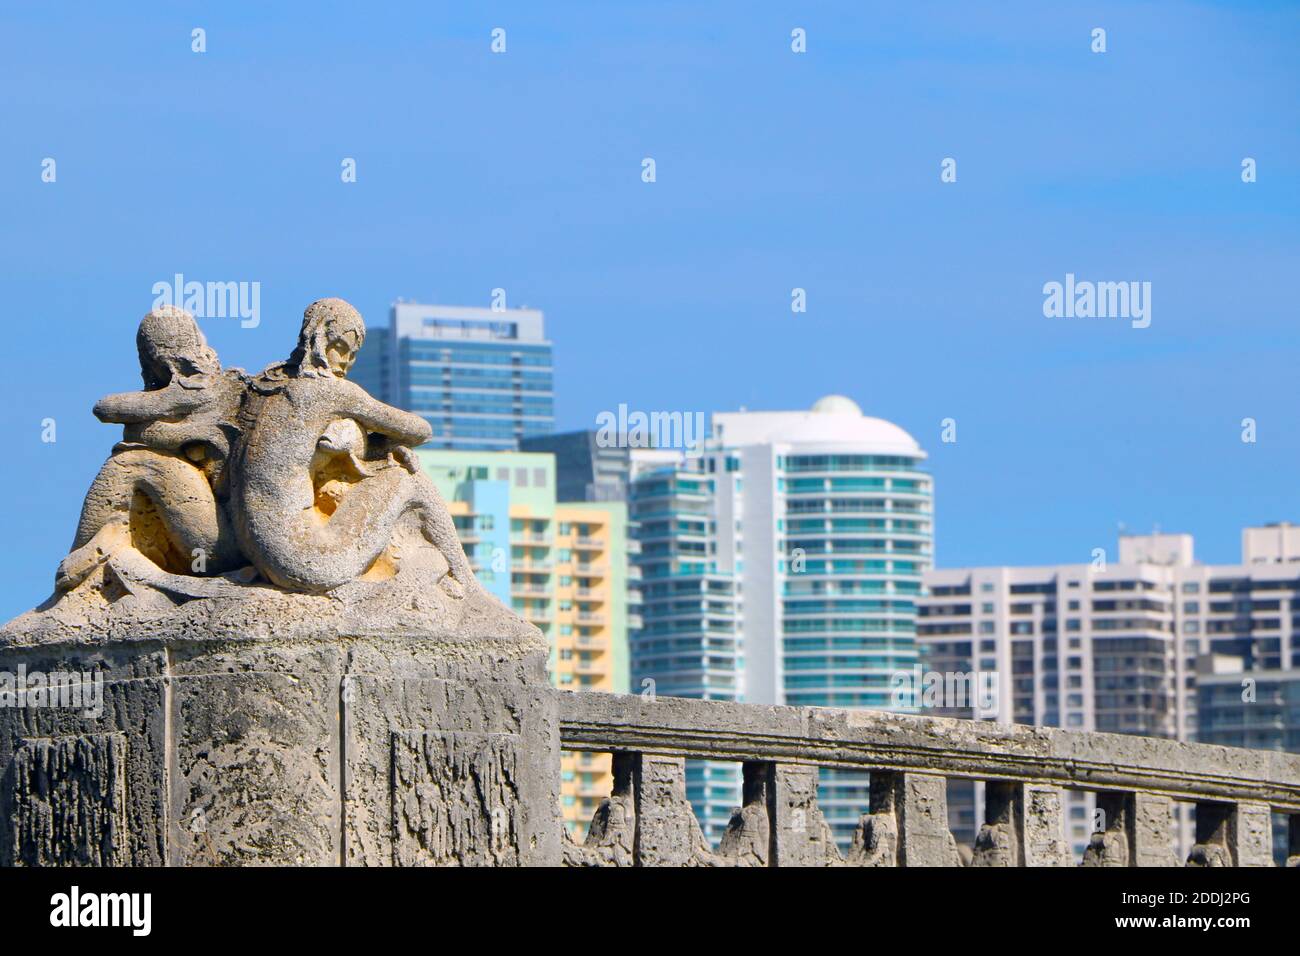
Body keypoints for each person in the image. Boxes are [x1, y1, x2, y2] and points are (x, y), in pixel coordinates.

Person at [229, 298, 476, 594]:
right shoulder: (330, 392)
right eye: (341, 348)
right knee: (410, 480)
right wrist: (384, 442)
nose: (345, 363)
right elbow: (420, 430)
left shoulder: (264, 389)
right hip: (309, 560)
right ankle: (468, 583)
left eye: (353, 355)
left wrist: (373, 447)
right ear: (318, 339)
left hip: (250, 547)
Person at [57, 307, 247, 591]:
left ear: (159, 359)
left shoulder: (193, 389)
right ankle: (105, 542)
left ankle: (81, 556)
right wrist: (174, 434)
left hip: (221, 547)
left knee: (132, 462)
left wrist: (157, 433)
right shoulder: (217, 386)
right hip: (232, 539)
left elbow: (107, 407)